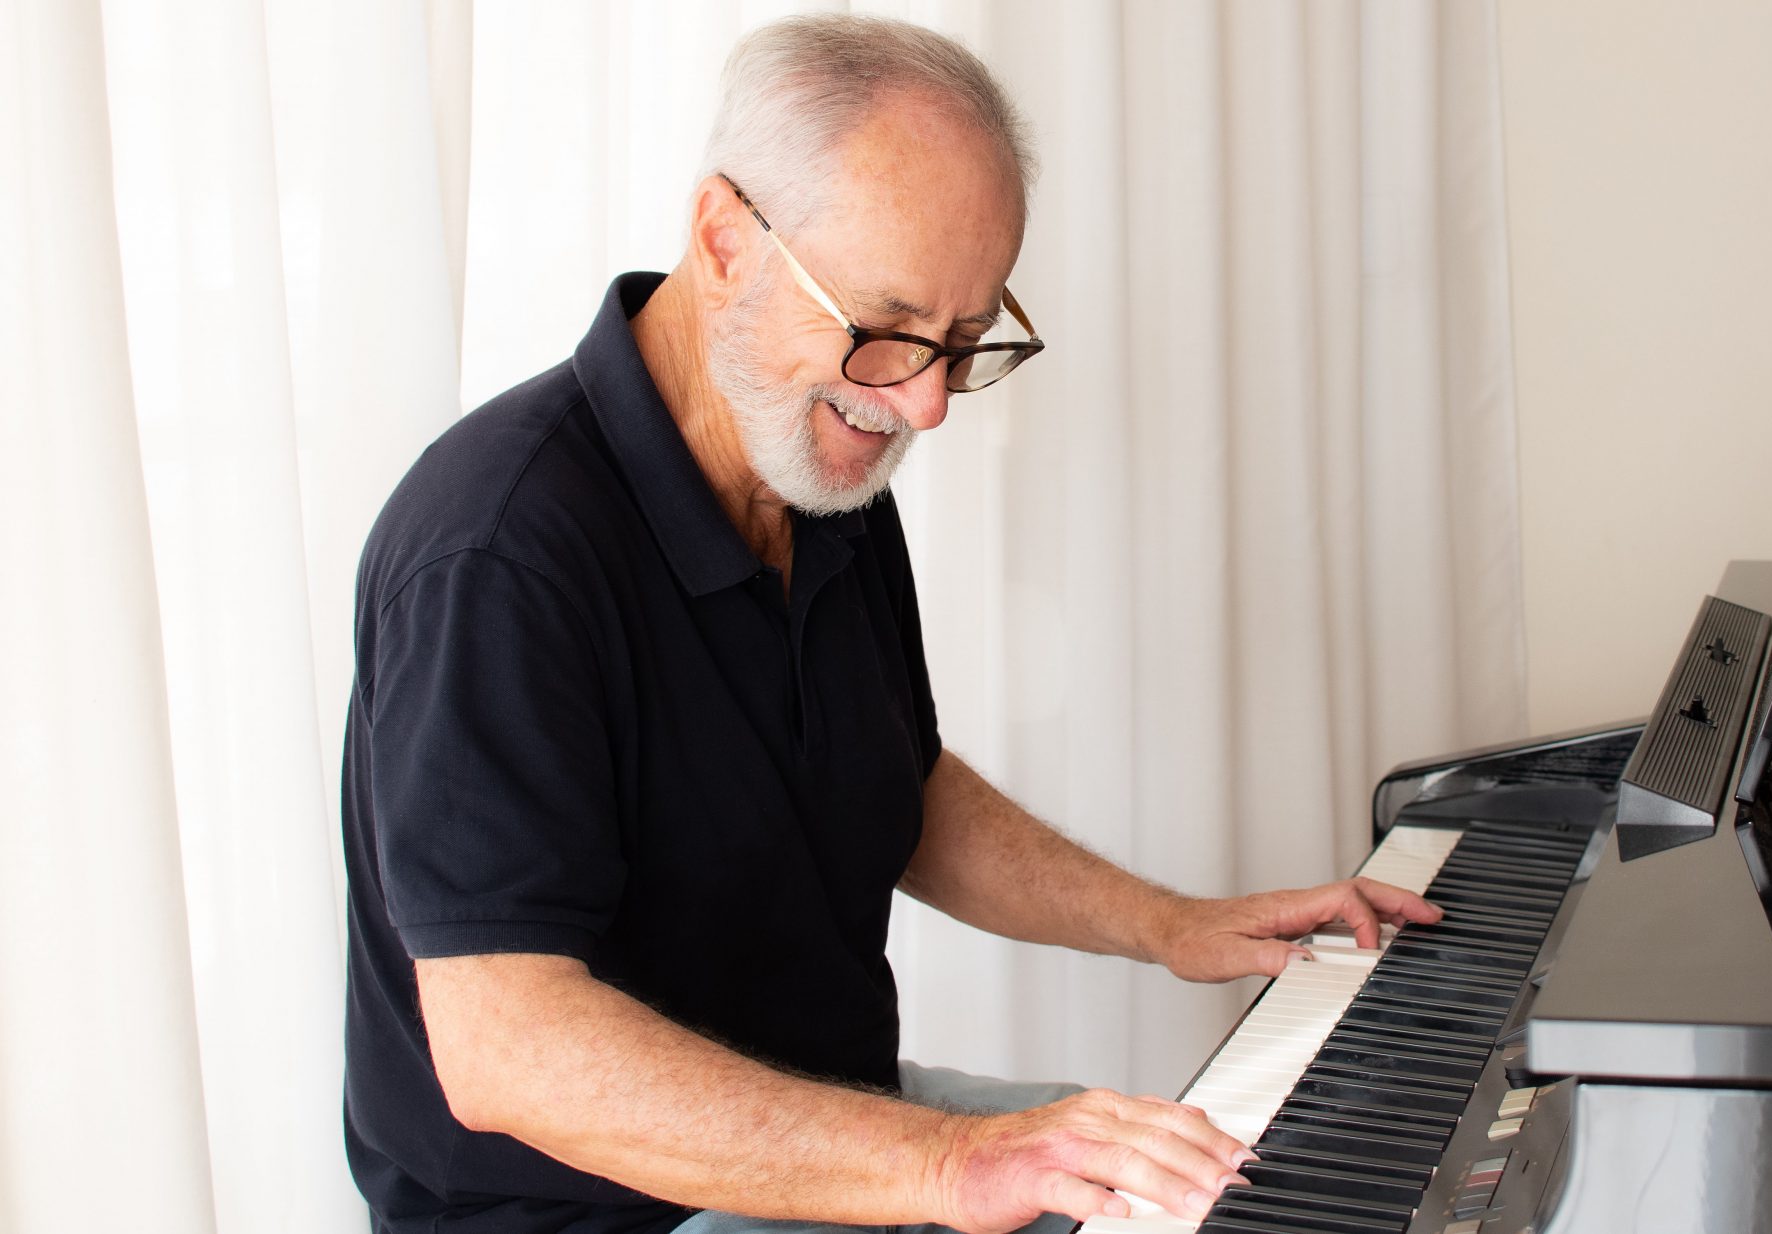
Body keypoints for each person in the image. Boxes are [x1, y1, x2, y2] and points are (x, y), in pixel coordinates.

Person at [341, 14, 1439, 1234]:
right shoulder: (495, 550)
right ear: (722, 242)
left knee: (1254, 1190)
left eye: (962, 345)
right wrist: (943, 1167)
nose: (923, 404)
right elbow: (506, 1047)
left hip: (836, 1130)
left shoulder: (817, 470)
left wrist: (1169, 925)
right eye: (887, 330)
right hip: (604, 1215)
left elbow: (891, 783)